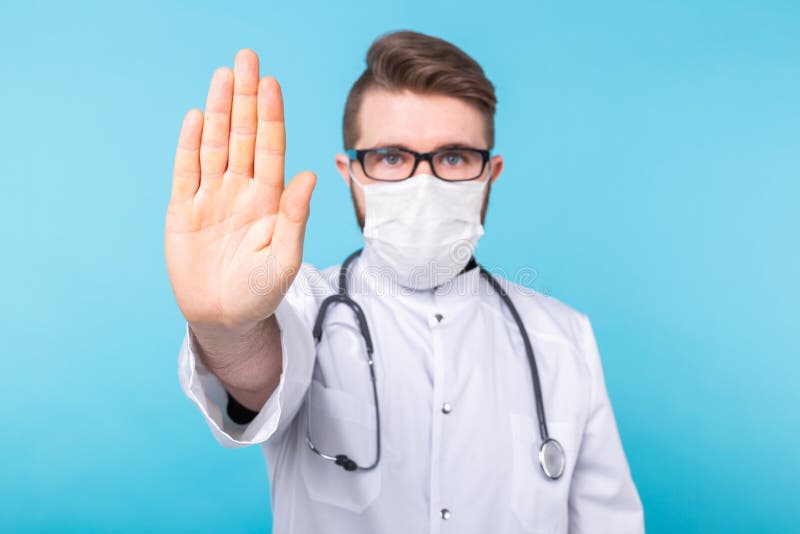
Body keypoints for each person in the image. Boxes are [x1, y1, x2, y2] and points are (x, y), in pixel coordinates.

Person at [164, 30, 644, 534]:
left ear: (491, 172)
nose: (423, 184)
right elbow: (254, 374)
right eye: (392, 157)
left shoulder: (564, 339)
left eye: (454, 157)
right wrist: (229, 332)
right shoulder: (299, 306)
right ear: (350, 172)